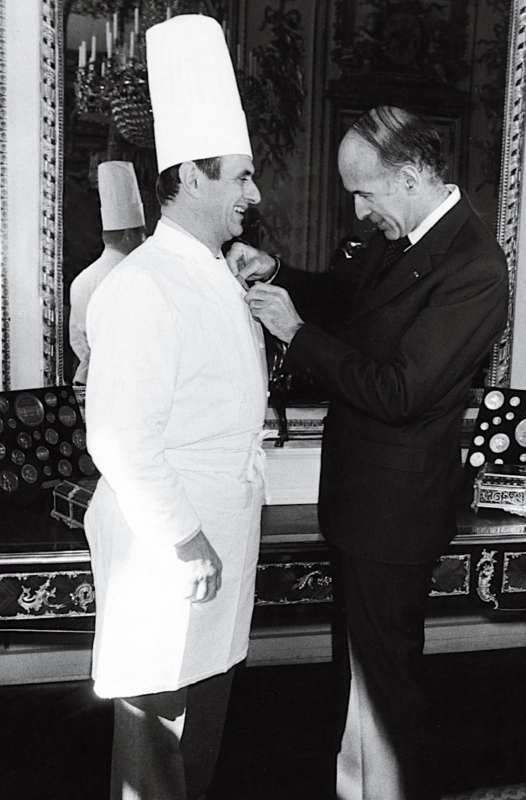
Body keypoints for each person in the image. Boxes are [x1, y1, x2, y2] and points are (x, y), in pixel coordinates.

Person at [228, 105, 509, 800]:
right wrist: (281, 272)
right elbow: (348, 303)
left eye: (365, 192)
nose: (356, 209)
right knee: (354, 678)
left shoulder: (475, 267)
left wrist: (295, 333)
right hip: (362, 502)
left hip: (397, 513)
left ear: (411, 175)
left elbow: (399, 393)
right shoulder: (399, 234)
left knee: (386, 689)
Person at [83, 15, 269, 800]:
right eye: (240, 177)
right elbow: (122, 437)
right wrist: (187, 542)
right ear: (191, 178)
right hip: (172, 551)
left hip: (214, 545)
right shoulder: (142, 285)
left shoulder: (207, 273)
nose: (254, 195)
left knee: (199, 747)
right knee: (157, 757)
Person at [69, 160, 145, 384]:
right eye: (142, 234)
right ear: (130, 236)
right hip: (130, 381)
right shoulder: (135, 276)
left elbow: (77, 340)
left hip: (91, 381)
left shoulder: (82, 280)